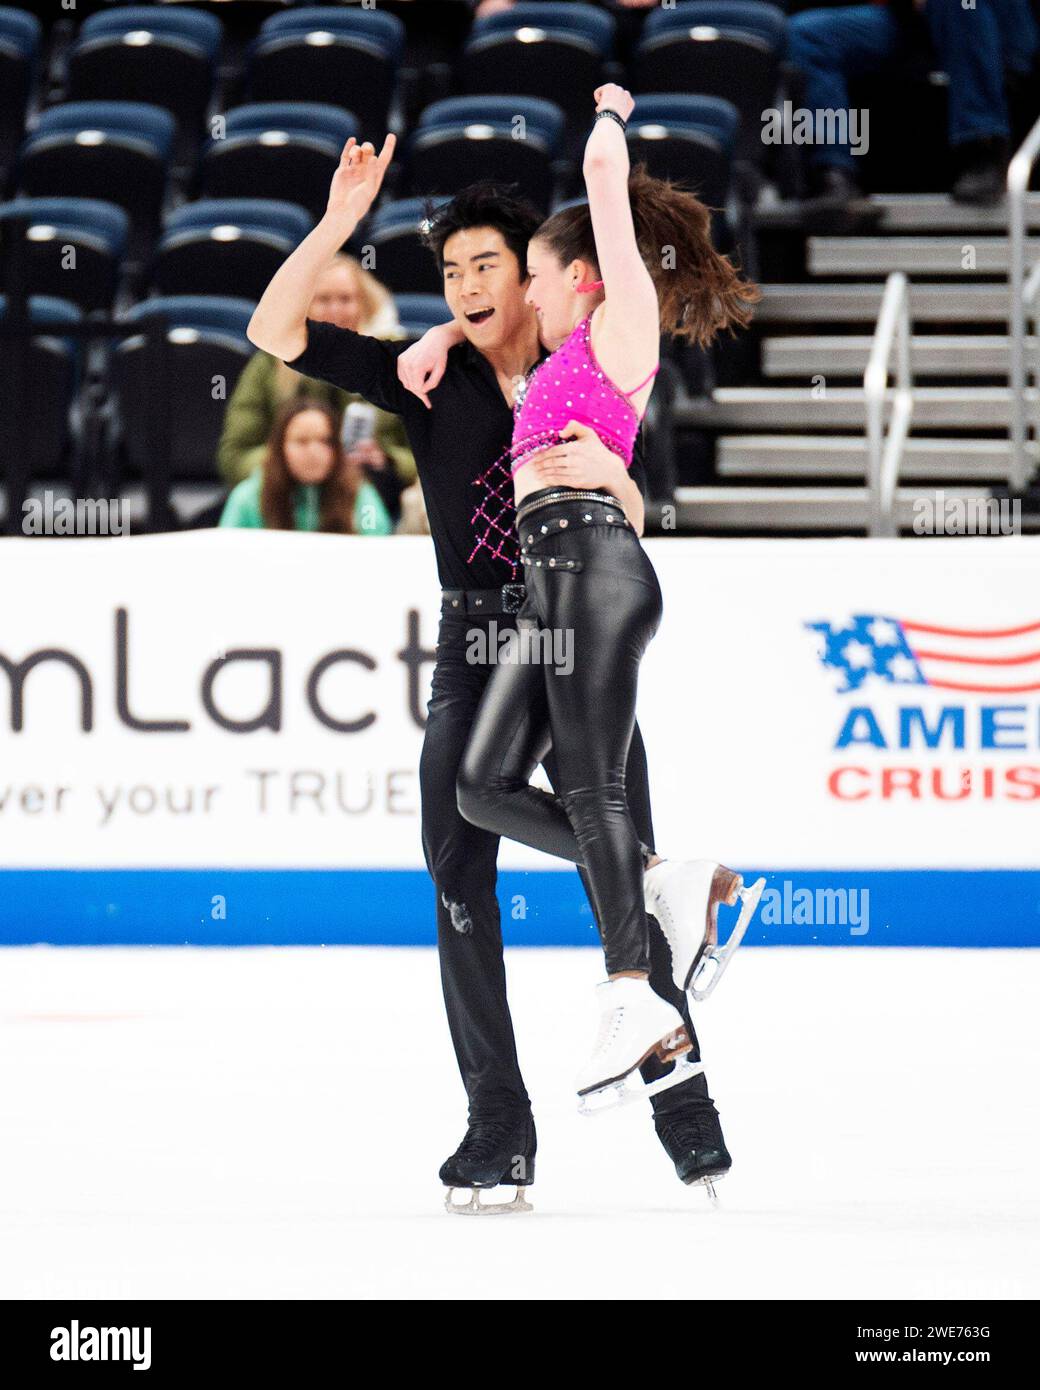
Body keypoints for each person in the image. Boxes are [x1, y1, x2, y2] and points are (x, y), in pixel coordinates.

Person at [245, 134, 747, 1212]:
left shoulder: (590, 360)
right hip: (473, 643)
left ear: (531, 275)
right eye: (450, 273)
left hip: (571, 620)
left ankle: (690, 1129)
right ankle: (497, 1127)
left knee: (616, 874)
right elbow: (270, 330)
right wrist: (338, 223)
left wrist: (621, 473)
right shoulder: (425, 375)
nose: (467, 287)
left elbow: (628, 511)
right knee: (457, 868)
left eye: (486, 267)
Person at [401, 84, 761, 1125]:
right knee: (480, 787)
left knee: (594, 791)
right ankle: (666, 880)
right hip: (556, 581)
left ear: (581, 281)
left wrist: (608, 110)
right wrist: (441, 331)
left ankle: (629, 996)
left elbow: (604, 181)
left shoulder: (616, 337)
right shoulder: (560, 364)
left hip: (591, 575)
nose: (529, 297)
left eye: (541, 281)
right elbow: (492, 334)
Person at [217, 254, 416, 521]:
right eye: (323, 300)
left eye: (345, 299)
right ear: (305, 307)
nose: (335, 310)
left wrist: (388, 459)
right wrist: (288, 457)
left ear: (364, 304)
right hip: (284, 497)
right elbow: (233, 455)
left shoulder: (395, 359)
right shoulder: (269, 361)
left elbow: (433, 453)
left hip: (377, 493)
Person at [787, 0, 1039, 206]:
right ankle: (834, 174)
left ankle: (983, 146)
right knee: (808, 35)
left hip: (994, 21)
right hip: (913, 21)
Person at [219, 398, 393, 535]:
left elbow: (377, 553)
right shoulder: (247, 498)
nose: (314, 451)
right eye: (302, 441)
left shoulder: (360, 495)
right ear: (280, 448)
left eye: (325, 441)